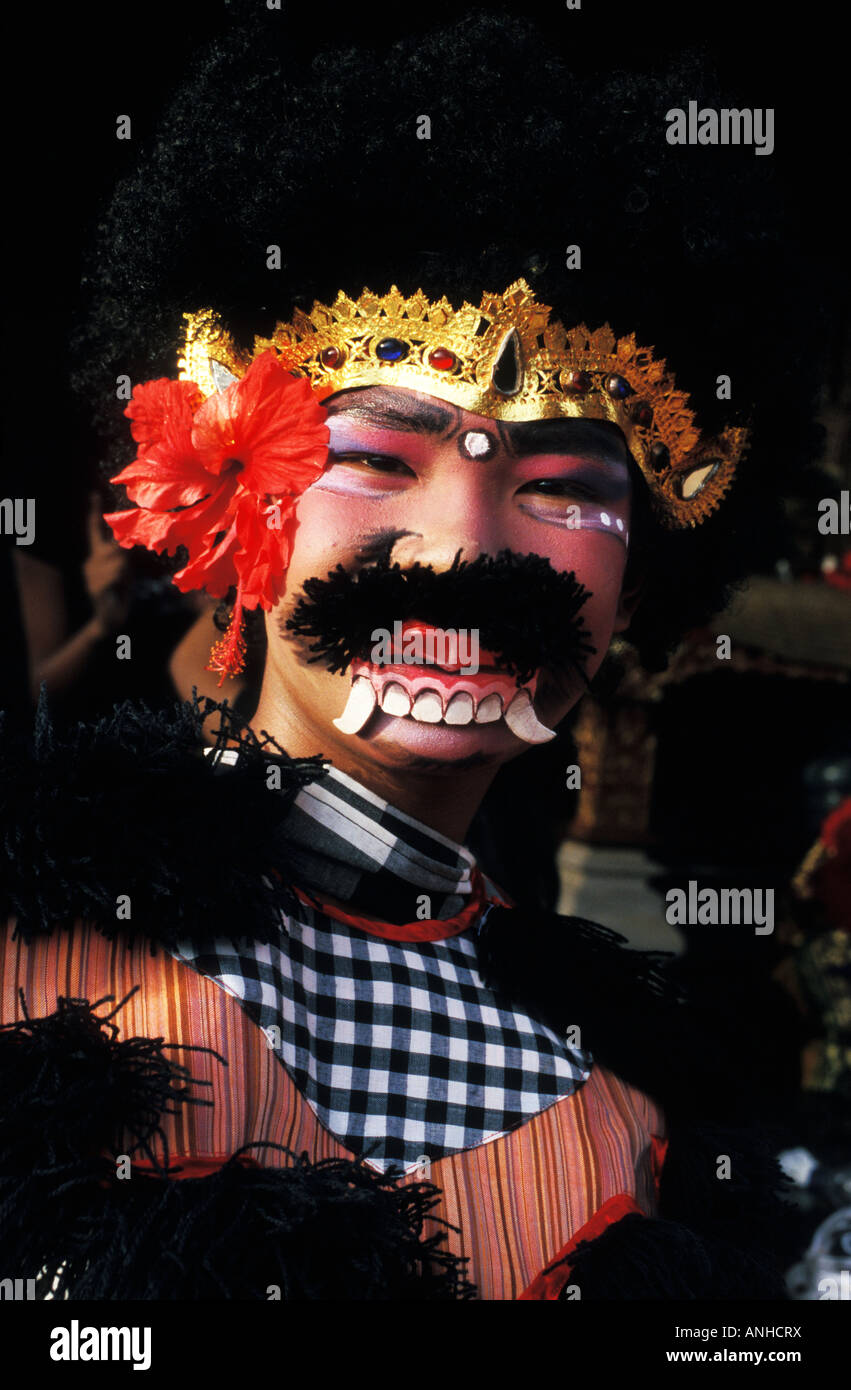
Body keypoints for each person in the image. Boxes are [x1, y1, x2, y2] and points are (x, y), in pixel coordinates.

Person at [0, 10, 821, 1299]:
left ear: (638, 586)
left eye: (564, 489)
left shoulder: (638, 1112)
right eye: (377, 460)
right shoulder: (28, 938)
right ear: (231, 500)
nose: (462, 550)